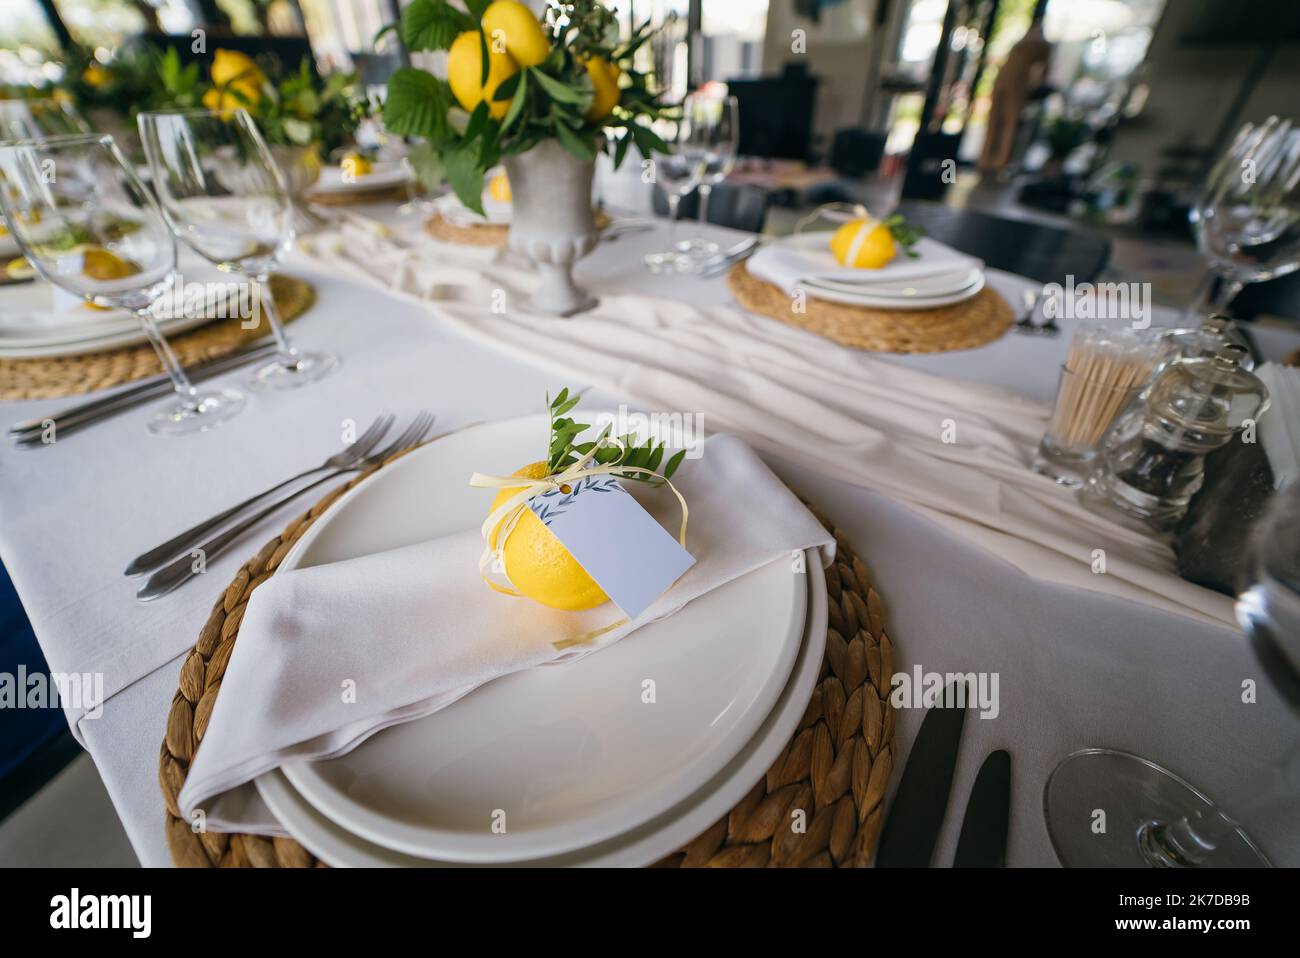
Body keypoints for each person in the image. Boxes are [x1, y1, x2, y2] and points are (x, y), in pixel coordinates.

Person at [979, 18, 1052, 177]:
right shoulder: (1041, 45)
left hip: (1004, 81)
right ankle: (996, 162)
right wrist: (1035, 86)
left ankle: (990, 161)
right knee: (1008, 124)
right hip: (1016, 84)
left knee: (998, 123)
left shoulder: (1024, 43)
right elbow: (1045, 73)